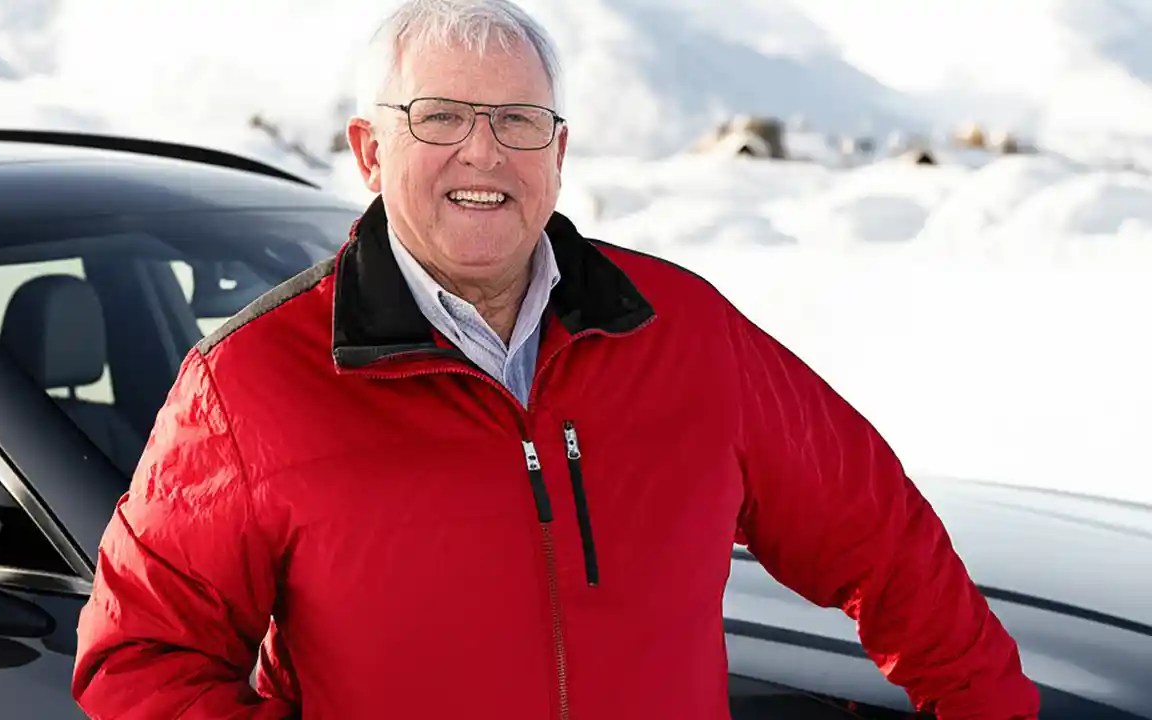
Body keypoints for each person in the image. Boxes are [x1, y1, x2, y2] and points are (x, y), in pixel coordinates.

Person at [71, 1, 1042, 718]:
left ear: (559, 150)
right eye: (440, 117)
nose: (482, 155)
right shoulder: (254, 383)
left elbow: (881, 536)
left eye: (516, 121)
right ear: (370, 149)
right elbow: (143, 659)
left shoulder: (684, 333)